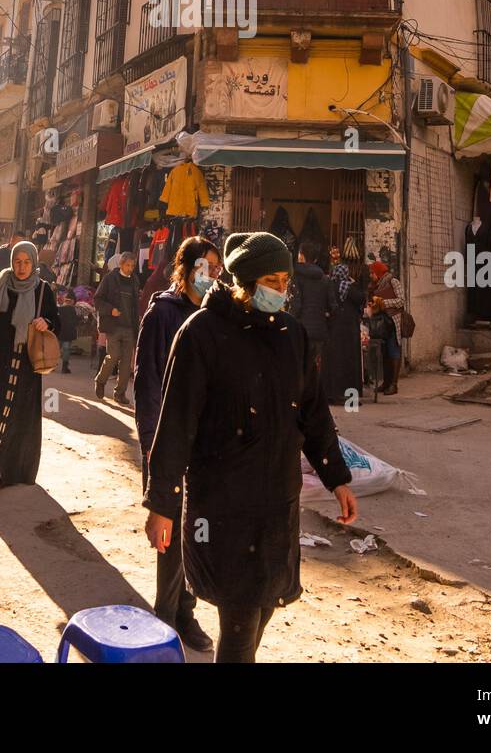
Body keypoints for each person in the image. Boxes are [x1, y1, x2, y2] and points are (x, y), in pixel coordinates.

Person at [143, 230, 358, 664]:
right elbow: (176, 424)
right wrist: (162, 503)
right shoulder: (201, 333)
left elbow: (313, 415)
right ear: (244, 282)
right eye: (272, 281)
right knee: (240, 623)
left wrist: (337, 477)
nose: (281, 291)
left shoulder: (291, 335)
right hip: (224, 506)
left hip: (278, 502)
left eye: (286, 281)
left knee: (263, 609)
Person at [134, 236, 220, 653]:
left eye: (216, 270)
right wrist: (153, 445)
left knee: (196, 533)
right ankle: (165, 619)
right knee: (169, 534)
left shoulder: (210, 316)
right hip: (167, 441)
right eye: (204, 268)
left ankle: (185, 611)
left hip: (202, 446)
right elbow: (147, 381)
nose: (211, 277)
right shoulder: (163, 313)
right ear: (184, 269)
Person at [0, 241, 60, 491]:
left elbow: (58, 323)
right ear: (11, 261)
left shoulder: (42, 290)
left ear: (34, 263)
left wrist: (45, 322)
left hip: (27, 367)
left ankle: (13, 469)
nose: (22, 267)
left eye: (27, 262)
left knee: (19, 419)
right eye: (18, 261)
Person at [94, 252, 140, 403]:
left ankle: (120, 393)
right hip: (113, 327)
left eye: (133, 266)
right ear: (121, 264)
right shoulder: (109, 279)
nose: (130, 268)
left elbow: (135, 305)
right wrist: (110, 310)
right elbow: (98, 299)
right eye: (128, 265)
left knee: (126, 363)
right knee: (113, 356)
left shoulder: (134, 281)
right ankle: (100, 381)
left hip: (129, 327)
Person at [288, 239, 337, 374]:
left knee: (300, 367)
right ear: (315, 259)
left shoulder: (296, 277)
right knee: (317, 368)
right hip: (320, 330)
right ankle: (315, 393)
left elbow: (296, 305)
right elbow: (333, 306)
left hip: (301, 330)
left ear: (301, 256)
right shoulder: (325, 279)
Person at [326, 246, 367, 406]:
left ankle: (332, 394)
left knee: (333, 362)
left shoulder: (329, 286)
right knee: (350, 364)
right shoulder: (350, 288)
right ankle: (351, 397)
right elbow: (361, 300)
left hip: (333, 330)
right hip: (349, 331)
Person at [369, 260, 404, 394]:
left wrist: (384, 303)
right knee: (384, 353)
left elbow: (401, 300)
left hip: (393, 322)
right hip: (383, 324)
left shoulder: (393, 281)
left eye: (372, 273)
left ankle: (394, 384)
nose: (371, 275)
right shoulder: (375, 285)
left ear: (378, 272)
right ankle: (386, 382)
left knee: (394, 350)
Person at [57, 290, 78, 373]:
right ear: (72, 301)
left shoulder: (59, 309)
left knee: (56, 349)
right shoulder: (73, 310)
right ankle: (64, 368)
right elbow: (75, 322)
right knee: (66, 350)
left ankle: (51, 365)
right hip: (68, 334)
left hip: (59, 333)